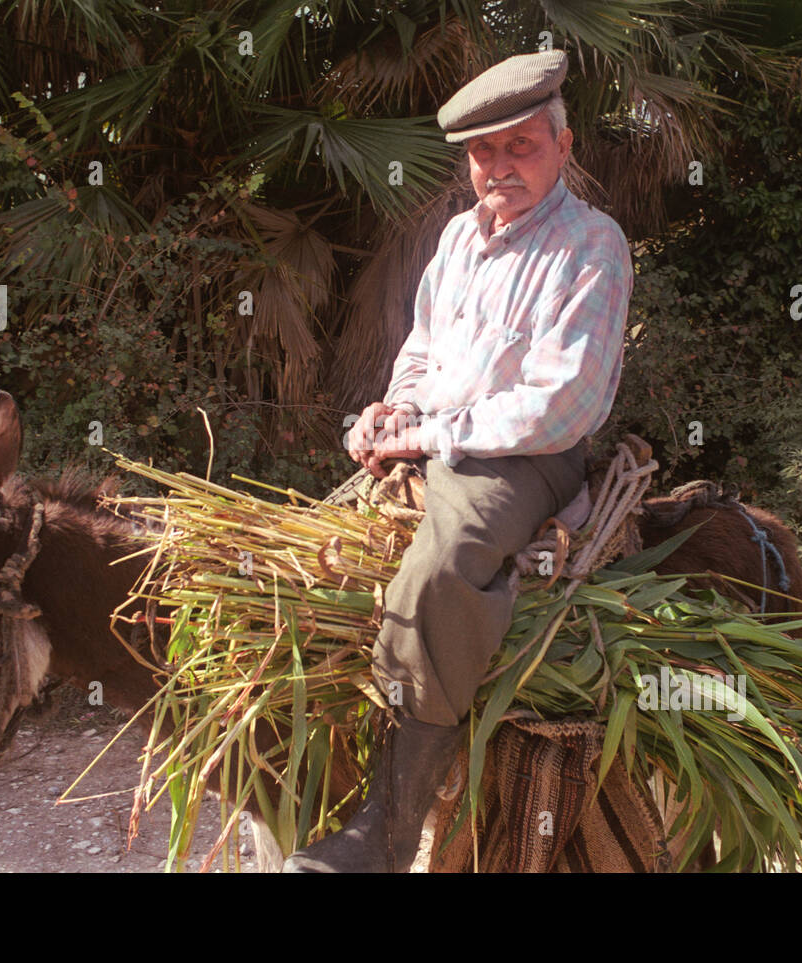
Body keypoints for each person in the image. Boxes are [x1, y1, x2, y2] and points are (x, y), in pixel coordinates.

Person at [283, 49, 634, 873]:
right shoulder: (456, 239)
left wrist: (432, 438)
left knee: (438, 571)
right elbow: (423, 350)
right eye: (486, 151)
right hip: (436, 436)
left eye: (522, 146)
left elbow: (566, 404)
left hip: (523, 461)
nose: (501, 166)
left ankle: (388, 831)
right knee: (303, 554)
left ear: (563, 143)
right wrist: (393, 410)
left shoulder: (593, 244)